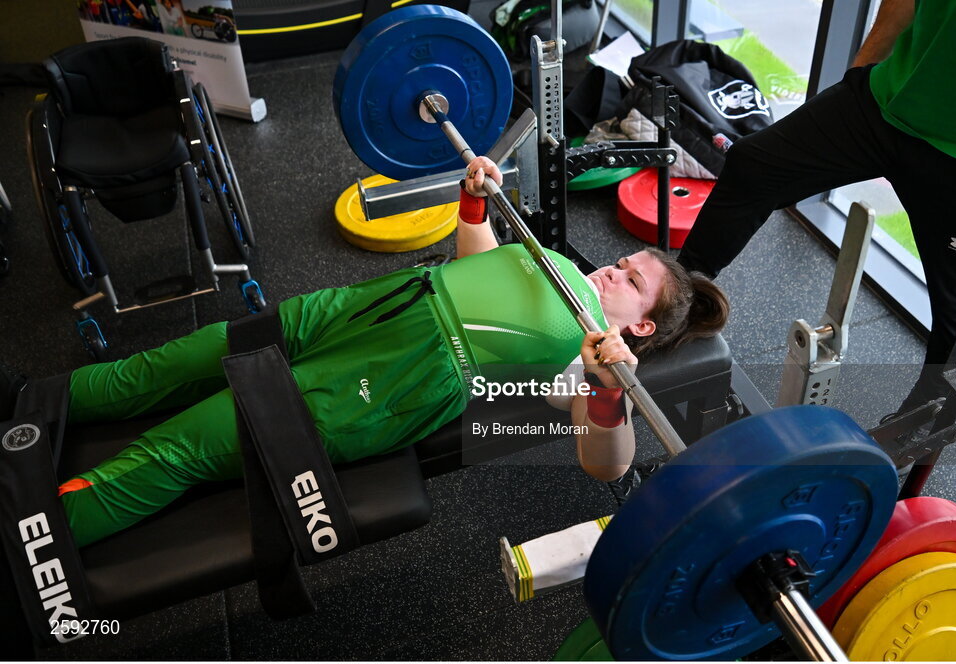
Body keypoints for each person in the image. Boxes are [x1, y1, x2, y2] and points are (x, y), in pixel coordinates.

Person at [9, 156, 727, 548]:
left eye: (631, 281)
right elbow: (474, 265)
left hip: (388, 382)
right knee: (170, 363)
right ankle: (26, 404)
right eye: (624, 260)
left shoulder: (590, 350)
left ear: (639, 326)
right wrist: (473, 201)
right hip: (355, 311)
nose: (613, 271)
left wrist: (606, 392)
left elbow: (608, 464)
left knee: (182, 447)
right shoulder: (558, 270)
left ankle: (22, 530)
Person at [677, 0, 956, 422]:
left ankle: (911, 437)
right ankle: (676, 306)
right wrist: (858, 74)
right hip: (886, 100)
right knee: (754, 166)